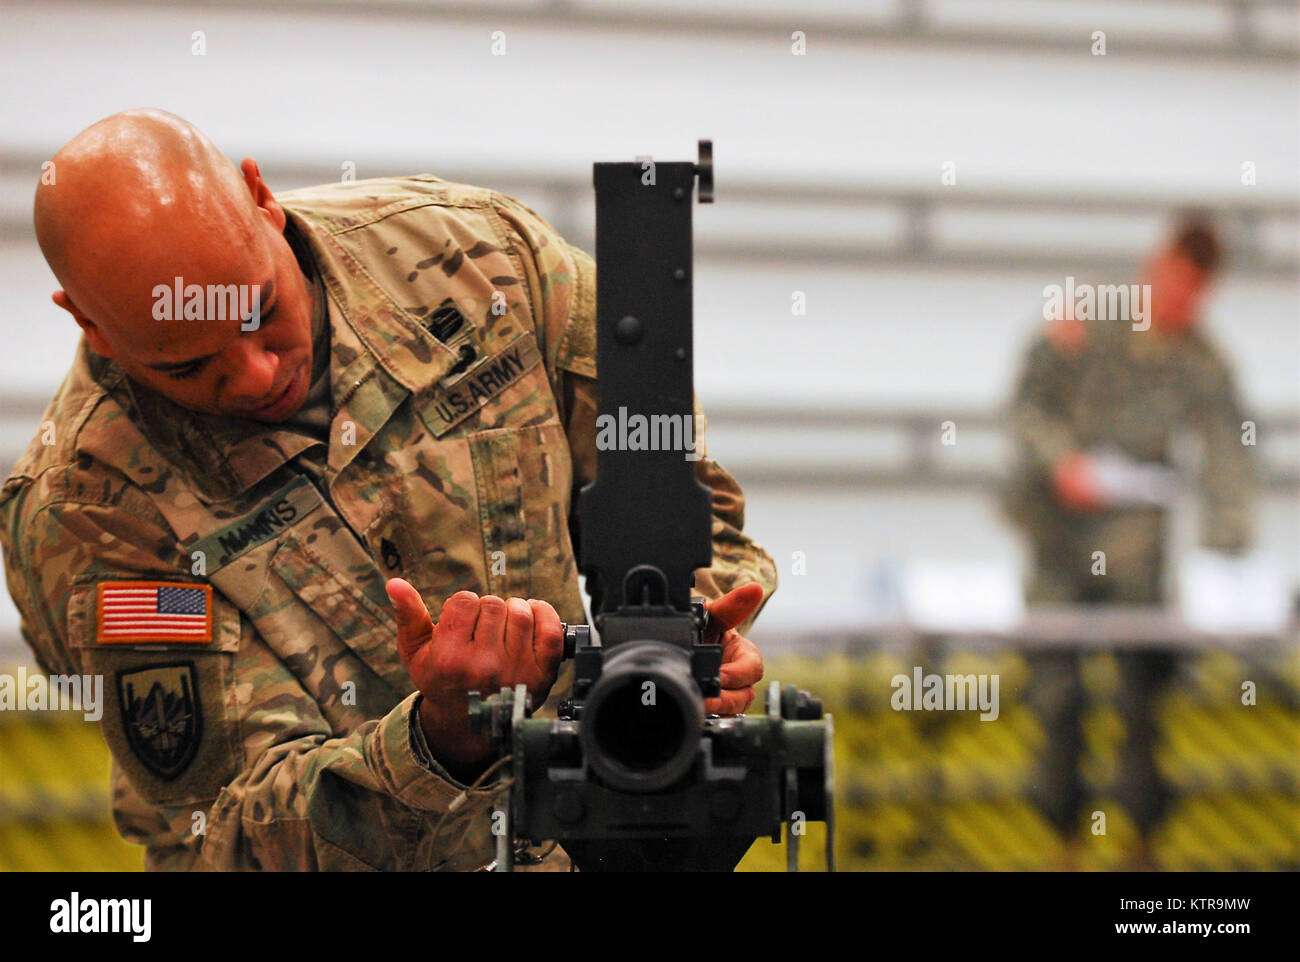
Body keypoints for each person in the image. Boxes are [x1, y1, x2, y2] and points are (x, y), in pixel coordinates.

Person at [0, 109, 777, 871]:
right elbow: (222, 837)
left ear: (260, 199)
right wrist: (440, 741)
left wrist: (690, 647)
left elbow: (675, 484)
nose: (258, 373)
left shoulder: (479, 260)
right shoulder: (89, 514)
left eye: (262, 312)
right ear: (89, 325)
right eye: (187, 366)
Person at [1004, 217, 1254, 868]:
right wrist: (1062, 461)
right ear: (1156, 264)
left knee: (1144, 691)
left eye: (1193, 293)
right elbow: (1025, 407)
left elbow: (1229, 441)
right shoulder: (1088, 319)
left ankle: (1141, 849)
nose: (1179, 303)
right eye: (1174, 284)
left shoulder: (1200, 358)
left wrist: (1229, 538)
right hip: (1060, 534)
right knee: (1058, 693)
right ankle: (1063, 842)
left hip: (1136, 542)